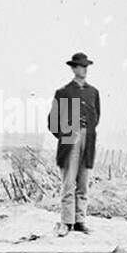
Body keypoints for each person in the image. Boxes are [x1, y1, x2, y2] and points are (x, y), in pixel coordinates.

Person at [47, 52, 101, 236]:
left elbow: (96, 117)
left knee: (83, 183)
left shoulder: (93, 92)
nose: (83, 70)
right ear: (73, 68)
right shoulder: (64, 92)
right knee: (68, 182)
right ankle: (66, 222)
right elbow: (53, 122)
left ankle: (80, 221)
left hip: (88, 139)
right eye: (80, 66)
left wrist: (86, 133)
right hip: (70, 139)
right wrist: (66, 135)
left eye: (86, 66)